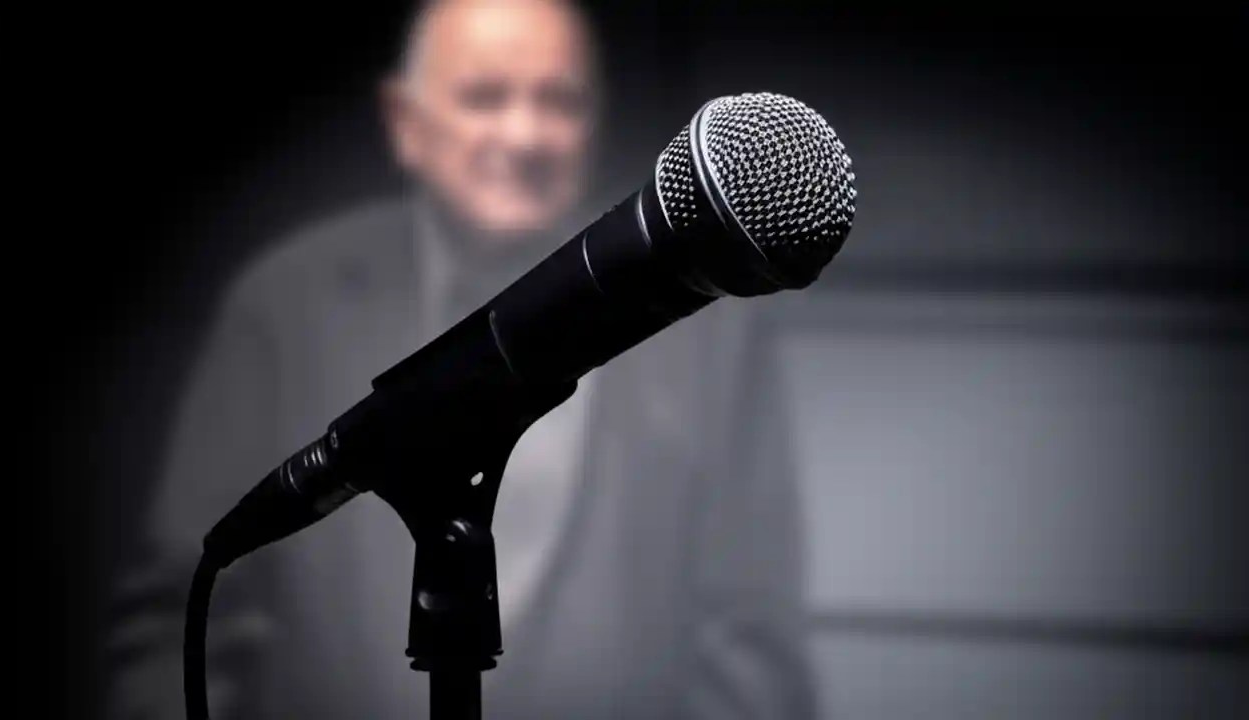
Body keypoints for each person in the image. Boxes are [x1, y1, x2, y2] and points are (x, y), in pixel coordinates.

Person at [107, 1, 815, 718]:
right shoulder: (283, 303)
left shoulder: (711, 336)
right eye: (484, 97)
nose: (524, 133)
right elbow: (176, 631)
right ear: (404, 123)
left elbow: (752, 654)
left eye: (559, 100)